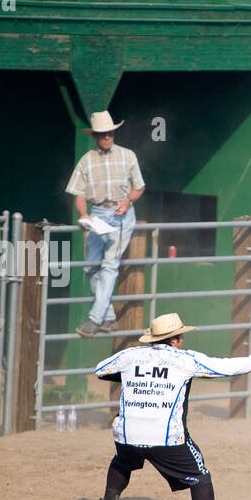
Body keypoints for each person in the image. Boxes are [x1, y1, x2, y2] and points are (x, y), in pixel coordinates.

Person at [92, 313, 251, 500]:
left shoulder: (129, 356)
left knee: (123, 462)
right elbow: (226, 367)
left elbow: (100, 370)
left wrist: (136, 377)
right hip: (166, 438)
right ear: (176, 339)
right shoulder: (186, 361)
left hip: (127, 435)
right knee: (200, 474)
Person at [66, 110, 146, 338]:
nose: (107, 137)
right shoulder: (87, 161)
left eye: (110, 133)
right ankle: (108, 316)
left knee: (110, 264)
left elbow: (139, 187)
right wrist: (83, 214)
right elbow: (78, 194)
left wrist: (127, 201)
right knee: (91, 266)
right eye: (103, 134)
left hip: (121, 212)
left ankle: (94, 318)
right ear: (95, 136)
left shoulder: (127, 156)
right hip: (98, 212)